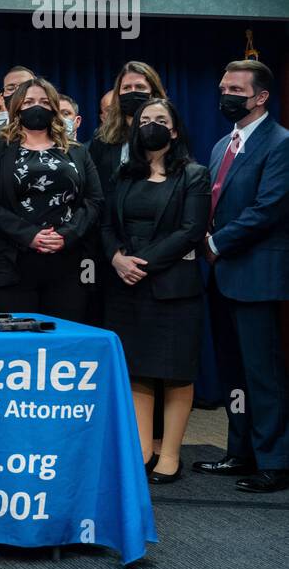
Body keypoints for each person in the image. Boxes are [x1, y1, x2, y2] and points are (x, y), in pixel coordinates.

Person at [101, 98, 210, 484]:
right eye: (146, 119)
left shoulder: (194, 175)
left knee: (176, 372)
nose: (152, 125)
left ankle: (171, 455)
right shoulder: (122, 175)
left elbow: (190, 230)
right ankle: (144, 450)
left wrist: (140, 263)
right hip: (126, 285)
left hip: (172, 287)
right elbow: (106, 225)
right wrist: (116, 258)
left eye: (160, 120)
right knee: (138, 370)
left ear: (175, 129)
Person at [195, 60, 289, 493]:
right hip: (221, 278)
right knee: (234, 372)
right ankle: (239, 451)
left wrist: (215, 245)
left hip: (256, 277)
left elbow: (267, 209)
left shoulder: (281, 143)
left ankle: (275, 461)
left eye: (235, 88)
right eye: (223, 87)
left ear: (260, 96)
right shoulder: (220, 146)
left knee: (262, 374)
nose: (226, 95)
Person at [0, 77, 103, 322]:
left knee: (64, 342)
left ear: (53, 107)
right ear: (17, 107)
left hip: (67, 263)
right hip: (11, 263)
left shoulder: (76, 150)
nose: (37, 107)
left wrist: (67, 234)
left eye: (44, 101)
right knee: (17, 345)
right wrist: (29, 236)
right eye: (29, 101)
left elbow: (94, 200)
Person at [89, 61, 168, 200]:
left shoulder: (166, 132)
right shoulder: (102, 136)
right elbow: (92, 187)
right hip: (111, 217)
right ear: (118, 94)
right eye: (126, 88)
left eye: (139, 87)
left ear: (153, 93)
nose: (133, 91)